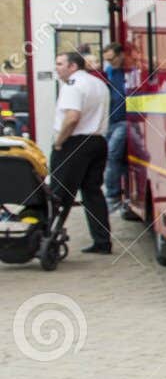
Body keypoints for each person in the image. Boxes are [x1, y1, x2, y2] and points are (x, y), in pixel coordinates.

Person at [51, 51, 112, 254]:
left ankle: (48, 238)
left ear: (73, 67)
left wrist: (59, 143)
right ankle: (102, 242)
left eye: (60, 63)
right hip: (97, 141)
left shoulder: (72, 85)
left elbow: (72, 117)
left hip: (74, 143)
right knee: (93, 192)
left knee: (60, 194)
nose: (57, 67)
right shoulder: (99, 83)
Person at [101, 43, 132, 217]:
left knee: (113, 154)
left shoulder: (128, 71)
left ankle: (112, 196)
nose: (110, 63)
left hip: (124, 121)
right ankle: (126, 195)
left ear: (121, 55)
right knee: (118, 160)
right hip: (111, 121)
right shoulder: (110, 72)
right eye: (107, 60)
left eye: (112, 59)